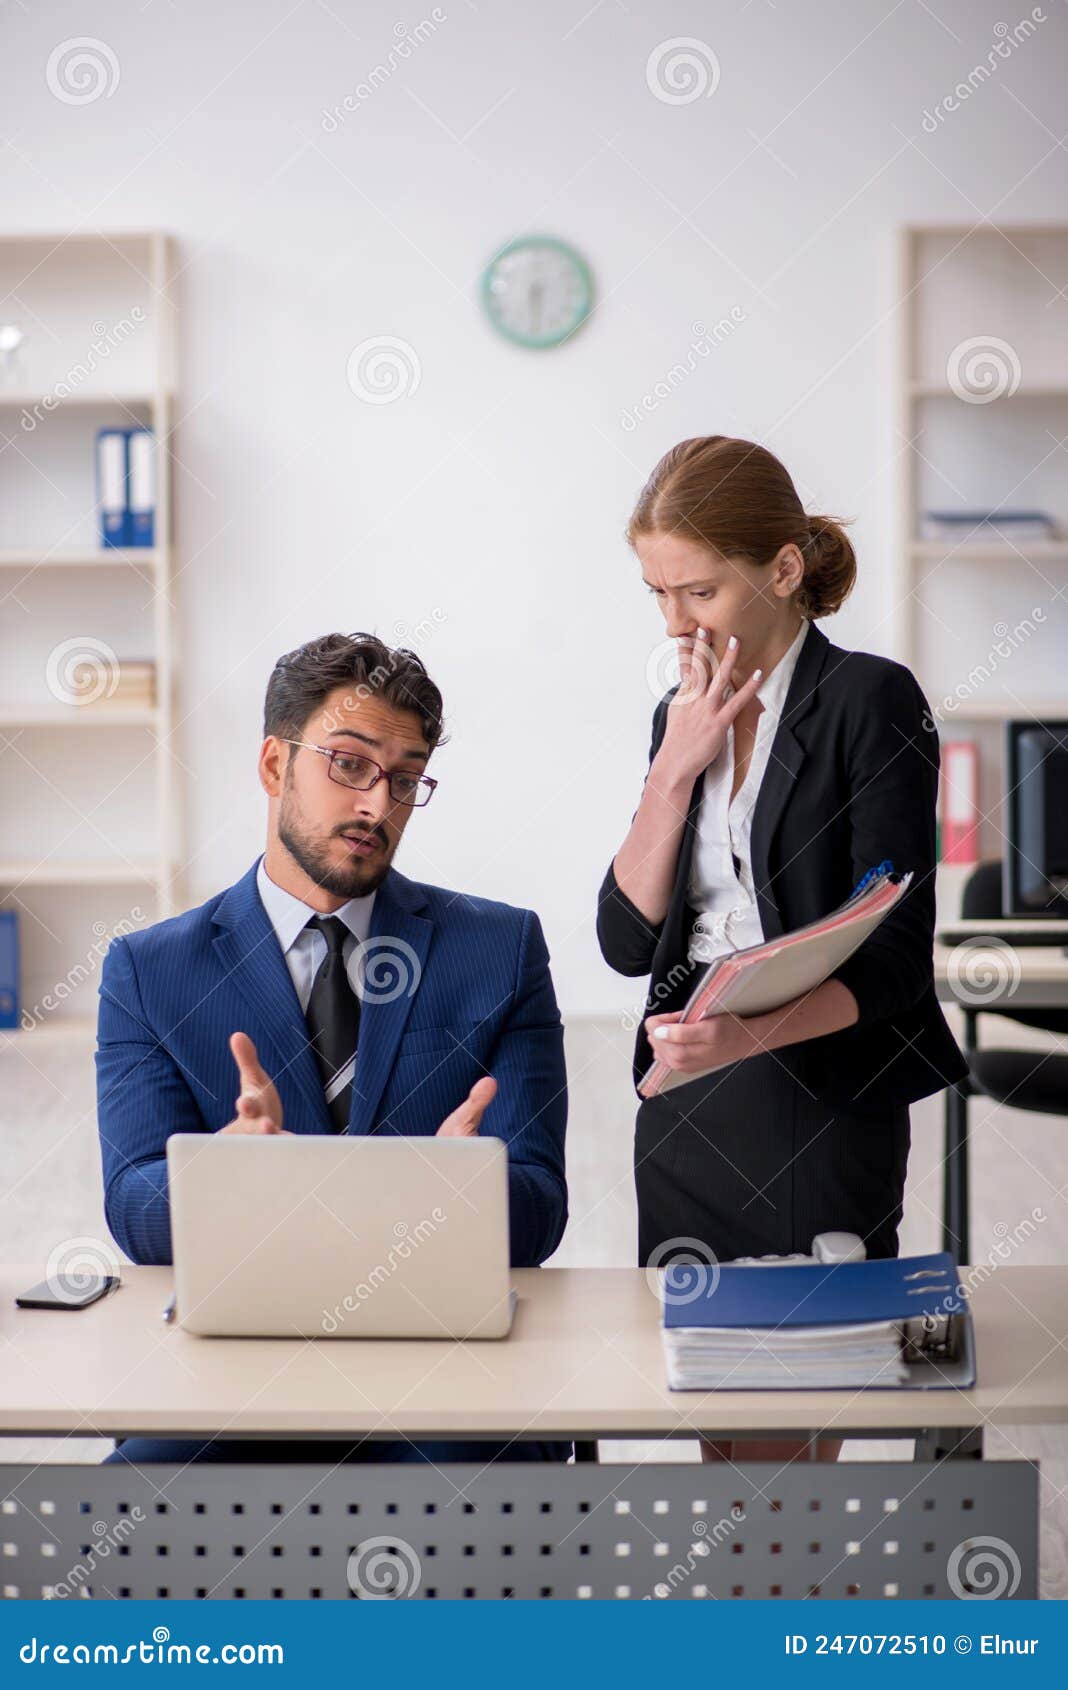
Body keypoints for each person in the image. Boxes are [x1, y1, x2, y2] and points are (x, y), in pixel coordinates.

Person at [96, 631, 568, 1465]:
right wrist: (227, 1179)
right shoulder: (150, 970)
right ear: (276, 766)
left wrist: (464, 1189)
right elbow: (135, 1209)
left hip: (443, 1377)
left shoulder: (500, 950)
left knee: (490, 1502)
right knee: (128, 1507)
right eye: (349, 764)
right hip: (232, 1378)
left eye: (407, 778)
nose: (378, 806)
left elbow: (538, 1212)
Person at [596, 436, 967, 1465]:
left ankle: (782, 1622)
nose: (675, 621)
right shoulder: (680, 718)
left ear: (784, 569)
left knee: (794, 1427)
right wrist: (674, 772)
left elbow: (892, 959)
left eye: (699, 588)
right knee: (711, 1413)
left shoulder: (868, 701)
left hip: (814, 1089)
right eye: (656, 592)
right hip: (685, 1096)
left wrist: (742, 1036)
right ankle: (743, 1620)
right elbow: (625, 941)